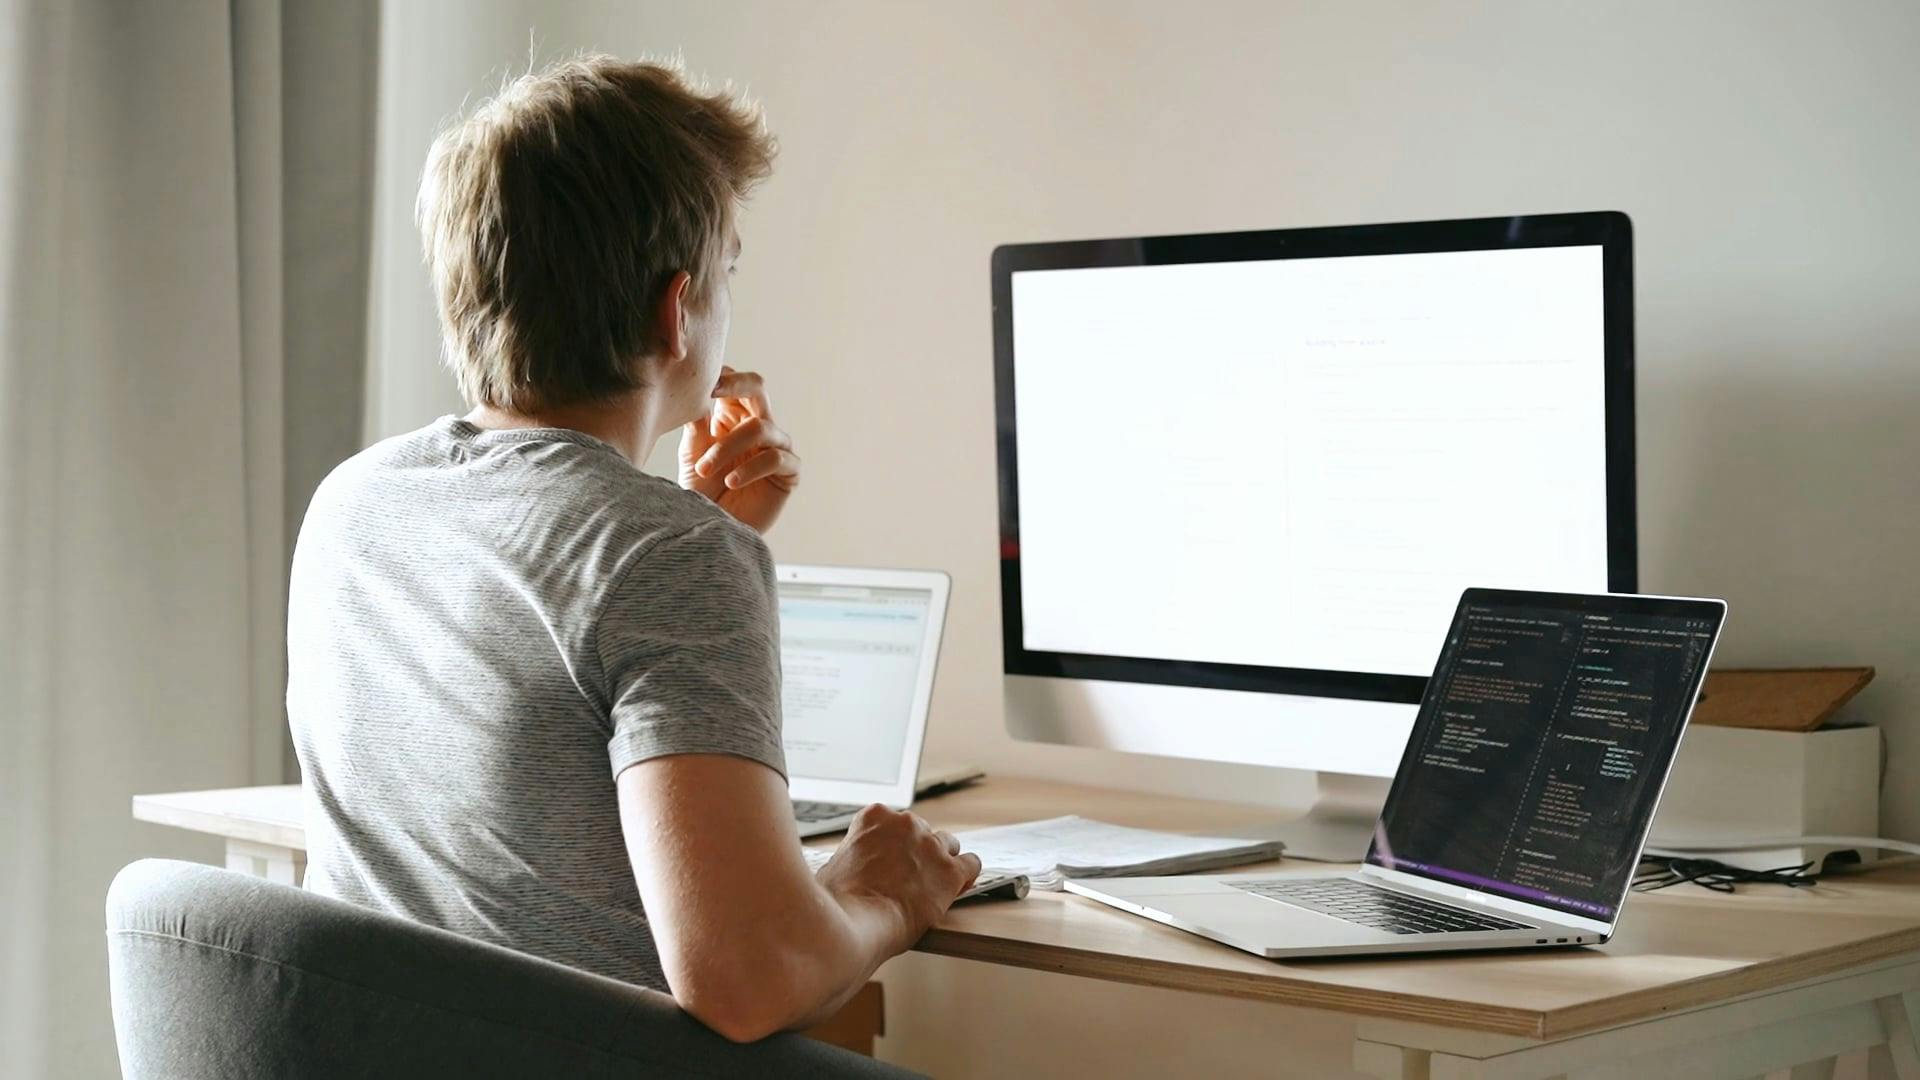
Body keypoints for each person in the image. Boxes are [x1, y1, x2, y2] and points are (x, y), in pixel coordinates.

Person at [286, 55, 980, 1043]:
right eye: (729, 271)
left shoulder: (354, 501)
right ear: (676, 308)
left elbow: (538, 716)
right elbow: (747, 982)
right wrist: (883, 896)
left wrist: (705, 531)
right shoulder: (667, 555)